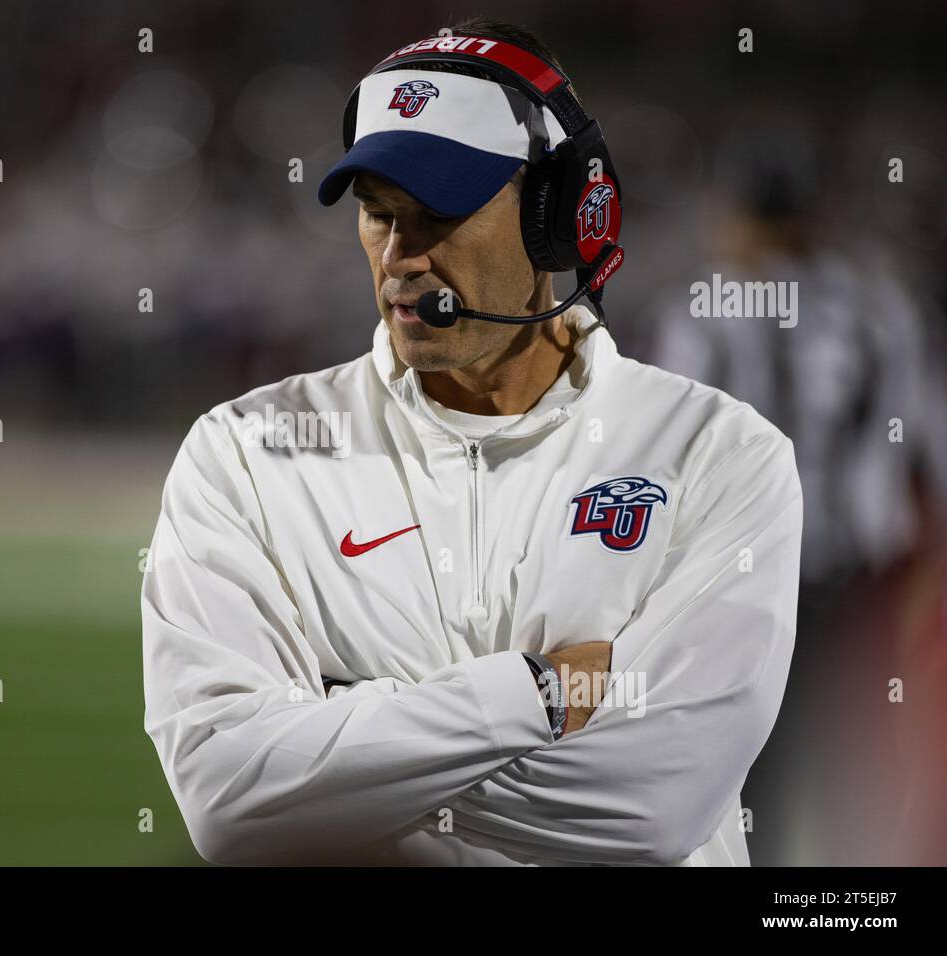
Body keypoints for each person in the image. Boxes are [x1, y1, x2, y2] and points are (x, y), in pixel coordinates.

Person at [141, 17, 803, 865]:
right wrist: (535, 695)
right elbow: (228, 800)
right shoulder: (245, 453)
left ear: (559, 218)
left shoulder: (720, 453)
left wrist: (347, 737)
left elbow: (652, 808)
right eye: (379, 216)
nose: (398, 258)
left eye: (436, 215)